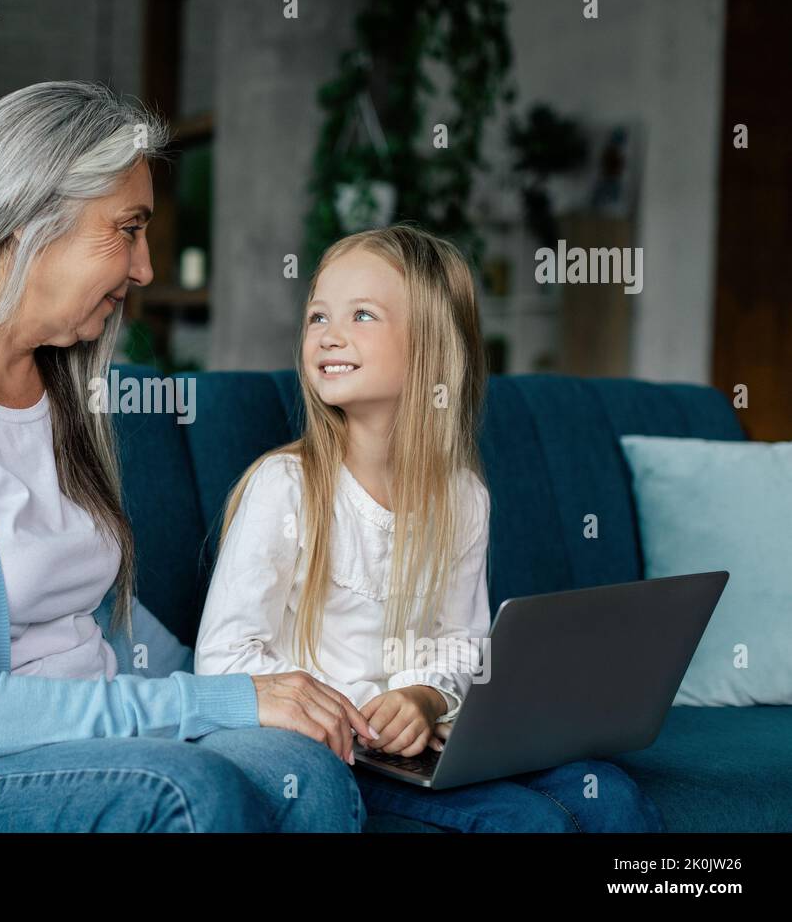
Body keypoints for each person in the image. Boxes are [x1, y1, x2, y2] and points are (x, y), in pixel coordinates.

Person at [0, 80, 368, 833]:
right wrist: (227, 703)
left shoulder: (59, 377)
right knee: (189, 794)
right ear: (31, 220)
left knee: (305, 775)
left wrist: (273, 689)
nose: (146, 268)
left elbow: (100, 622)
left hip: (77, 747)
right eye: (128, 229)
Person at [194, 223, 666, 832]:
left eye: (362, 314)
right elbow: (222, 659)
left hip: (420, 746)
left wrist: (423, 698)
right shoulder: (286, 486)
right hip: (336, 750)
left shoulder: (462, 497)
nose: (329, 335)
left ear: (431, 348)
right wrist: (359, 711)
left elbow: (459, 640)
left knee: (612, 798)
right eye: (317, 317)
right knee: (527, 822)